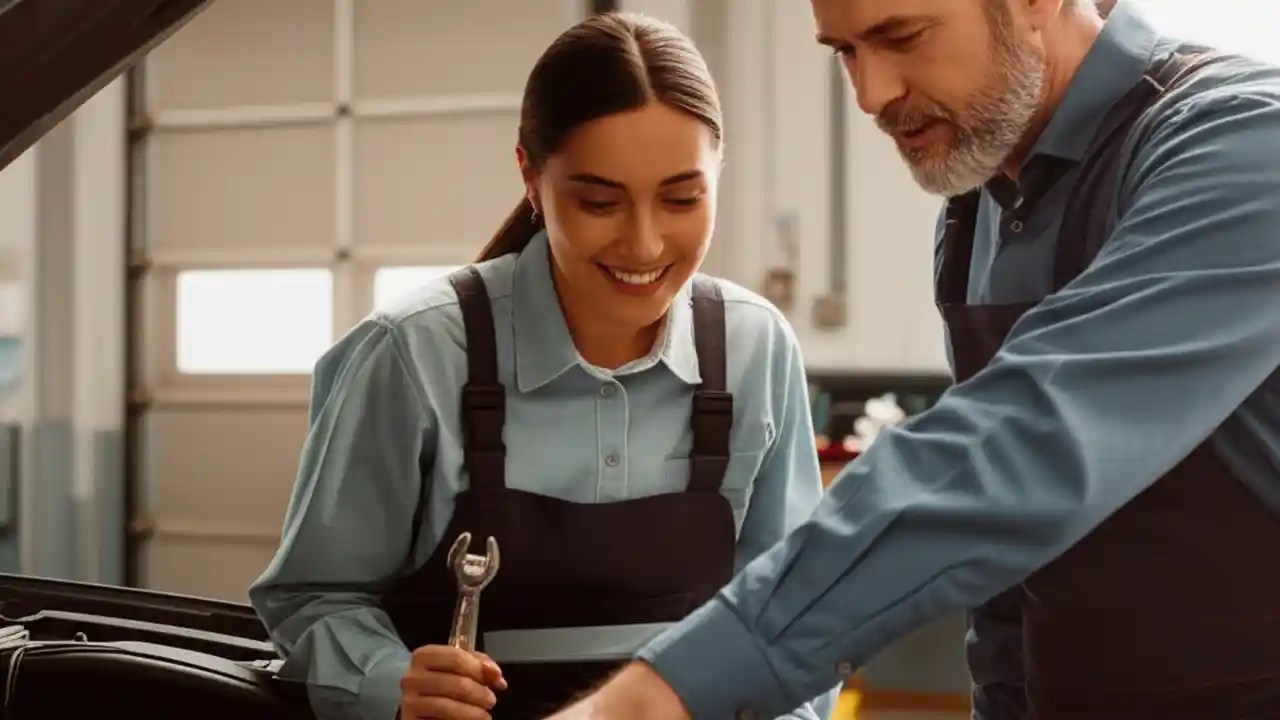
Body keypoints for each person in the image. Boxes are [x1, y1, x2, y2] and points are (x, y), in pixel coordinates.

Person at [545, 1, 1280, 719]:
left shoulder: (1246, 144)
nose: (871, 94)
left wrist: (661, 693)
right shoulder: (976, 212)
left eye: (901, 36)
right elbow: (1003, 582)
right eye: (846, 52)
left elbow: (1023, 442)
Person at [248, 10, 840, 720]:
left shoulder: (755, 350)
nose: (645, 243)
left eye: (682, 198)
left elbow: (792, 618)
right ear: (530, 175)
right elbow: (311, 596)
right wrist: (388, 682)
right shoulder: (415, 354)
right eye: (599, 201)